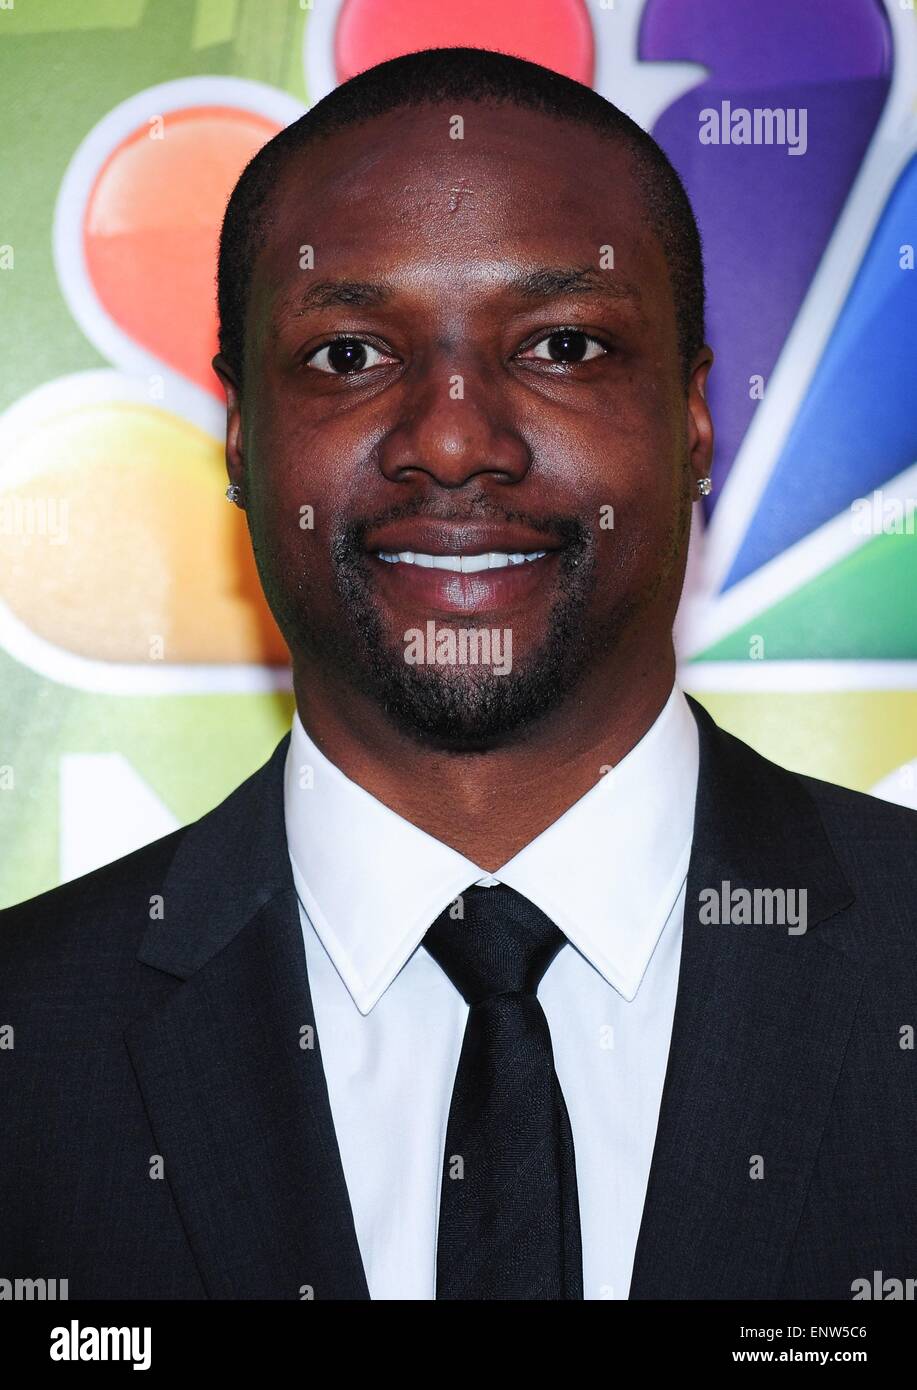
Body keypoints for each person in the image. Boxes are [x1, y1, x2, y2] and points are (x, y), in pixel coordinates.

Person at [1, 47, 915, 1302]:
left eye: (562, 344)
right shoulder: (25, 1053)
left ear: (693, 420)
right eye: (347, 356)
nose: (450, 436)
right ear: (237, 437)